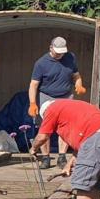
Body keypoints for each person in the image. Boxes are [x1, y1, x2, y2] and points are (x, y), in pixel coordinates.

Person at [28, 36, 87, 169]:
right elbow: (33, 85)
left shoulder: (70, 57)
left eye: (62, 52)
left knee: (65, 127)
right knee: (45, 127)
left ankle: (62, 157)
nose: (60, 54)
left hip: (66, 96)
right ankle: (46, 158)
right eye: (57, 52)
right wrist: (33, 103)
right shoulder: (41, 63)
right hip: (47, 96)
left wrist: (79, 84)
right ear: (51, 48)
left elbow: (76, 75)